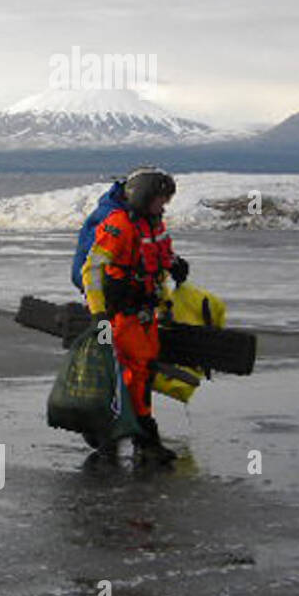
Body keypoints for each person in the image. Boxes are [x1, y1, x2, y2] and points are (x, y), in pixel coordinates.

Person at [81, 167, 190, 463]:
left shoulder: (154, 225)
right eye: (160, 199)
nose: (164, 204)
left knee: (142, 371)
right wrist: (98, 313)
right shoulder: (120, 226)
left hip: (144, 310)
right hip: (122, 314)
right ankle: (136, 435)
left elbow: (162, 255)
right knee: (134, 371)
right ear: (143, 196)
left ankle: (129, 434)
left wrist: (176, 264)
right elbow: (91, 269)